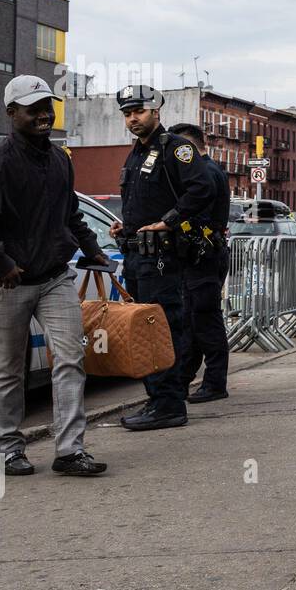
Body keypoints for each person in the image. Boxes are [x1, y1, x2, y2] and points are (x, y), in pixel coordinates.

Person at [0, 75, 109, 476]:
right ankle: (10, 448)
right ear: (11, 113)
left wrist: (93, 249)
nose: (43, 115)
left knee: (70, 357)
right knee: (9, 369)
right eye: (33, 109)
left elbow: (69, 213)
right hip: (9, 282)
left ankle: (69, 451)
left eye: (47, 107)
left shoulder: (59, 161)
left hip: (54, 278)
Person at [107, 86, 215, 431]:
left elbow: (202, 189)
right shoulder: (137, 153)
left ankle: (169, 403)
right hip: (139, 252)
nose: (132, 119)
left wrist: (168, 221)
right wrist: (127, 226)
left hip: (163, 256)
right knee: (145, 327)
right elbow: (146, 198)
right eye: (127, 113)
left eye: (138, 111)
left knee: (162, 327)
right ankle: (158, 399)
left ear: (156, 111)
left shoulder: (176, 148)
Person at [168, 122, 231, 403]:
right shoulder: (209, 170)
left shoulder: (204, 173)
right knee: (194, 321)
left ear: (188, 147)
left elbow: (197, 219)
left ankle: (215, 383)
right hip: (203, 254)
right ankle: (184, 381)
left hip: (203, 255)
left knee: (206, 320)